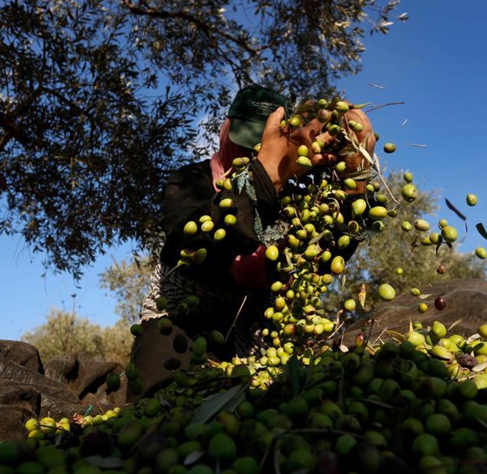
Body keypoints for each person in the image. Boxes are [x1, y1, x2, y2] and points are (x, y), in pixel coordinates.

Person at [129, 85, 375, 399]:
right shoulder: (191, 181)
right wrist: (264, 176)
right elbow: (187, 240)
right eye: (244, 142)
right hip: (180, 327)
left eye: (262, 145)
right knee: (157, 412)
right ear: (224, 129)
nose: (251, 154)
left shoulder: (299, 201)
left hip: (259, 341)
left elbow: (322, 263)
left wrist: (356, 184)